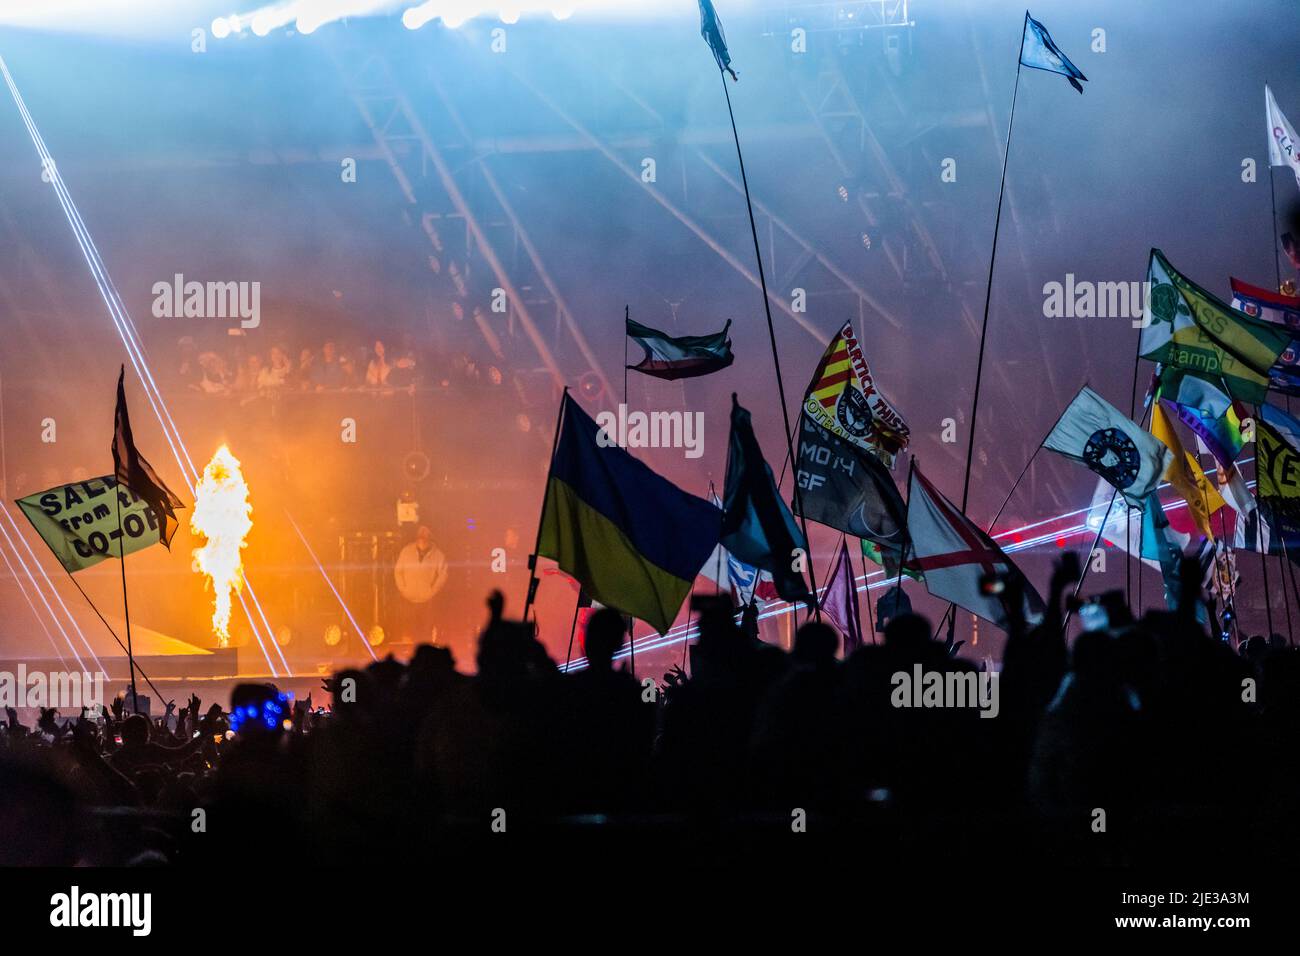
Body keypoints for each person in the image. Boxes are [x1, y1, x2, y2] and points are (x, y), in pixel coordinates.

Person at [394, 525, 448, 642]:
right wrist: (404, 589)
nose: (423, 538)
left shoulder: (438, 555)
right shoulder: (406, 552)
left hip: (427, 601)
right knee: (408, 632)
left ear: (431, 537)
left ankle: (425, 656)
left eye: (426, 535)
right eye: (420, 535)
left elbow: (443, 575)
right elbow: (398, 572)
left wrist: (432, 591)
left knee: (426, 631)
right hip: (408, 600)